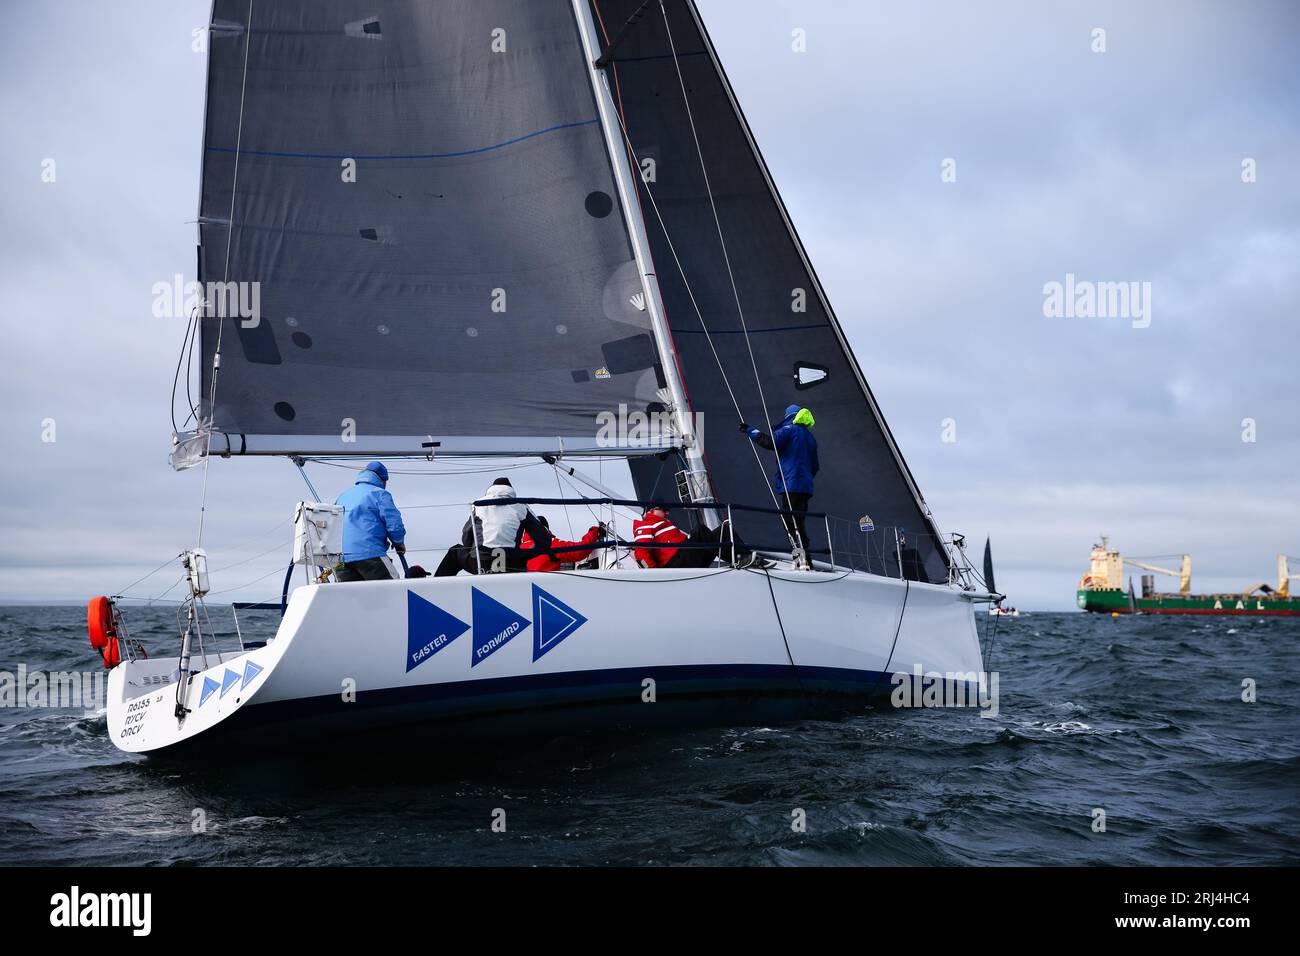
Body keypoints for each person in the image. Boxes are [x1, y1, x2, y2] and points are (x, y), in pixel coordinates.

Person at [740, 404, 819, 567]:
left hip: (791, 484)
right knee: (799, 521)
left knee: (790, 522)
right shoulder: (810, 437)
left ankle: (802, 559)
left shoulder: (789, 429)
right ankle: (805, 557)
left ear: (789, 416)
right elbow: (815, 466)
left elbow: (770, 443)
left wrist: (750, 430)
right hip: (805, 487)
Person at [434, 477, 553, 576]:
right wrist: (525, 556)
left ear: (489, 490)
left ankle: (435, 590)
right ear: (511, 492)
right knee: (520, 553)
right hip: (511, 565)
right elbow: (545, 540)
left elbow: (466, 537)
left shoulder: (478, 505)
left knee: (455, 552)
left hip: (480, 563)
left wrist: (473, 551)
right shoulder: (521, 506)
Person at [334, 461, 406, 582]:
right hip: (370, 554)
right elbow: (394, 524)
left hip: (341, 559)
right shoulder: (380, 494)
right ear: (383, 480)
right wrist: (399, 542)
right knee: (395, 590)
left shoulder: (342, 496)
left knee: (350, 598)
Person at [632, 506, 746, 569]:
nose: (667, 513)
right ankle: (738, 561)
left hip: (686, 558)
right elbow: (641, 549)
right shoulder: (645, 524)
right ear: (652, 510)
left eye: (668, 510)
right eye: (664, 509)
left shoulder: (667, 524)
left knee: (723, 531)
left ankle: (746, 559)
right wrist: (654, 574)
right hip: (673, 565)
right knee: (699, 531)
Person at [520, 517, 606, 572]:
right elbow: (581, 551)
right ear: (545, 530)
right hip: (544, 590)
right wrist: (594, 531)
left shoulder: (518, 548)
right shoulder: (549, 544)